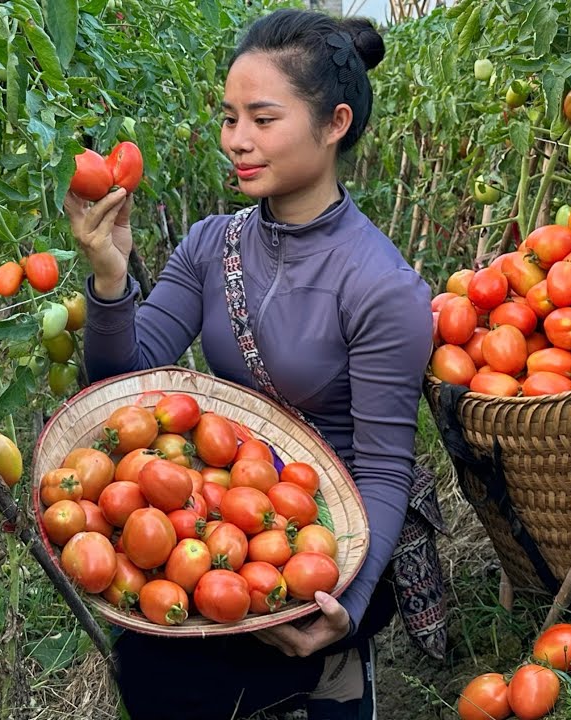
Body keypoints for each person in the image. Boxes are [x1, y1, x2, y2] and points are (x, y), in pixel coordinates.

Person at [64, 8, 441, 719]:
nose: (236, 140)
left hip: (310, 549)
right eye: (230, 116)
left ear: (333, 124)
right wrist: (110, 275)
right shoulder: (212, 245)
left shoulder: (381, 289)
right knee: (159, 679)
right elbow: (122, 384)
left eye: (262, 119)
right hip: (210, 528)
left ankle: (338, 677)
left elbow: (385, 464)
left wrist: (346, 606)